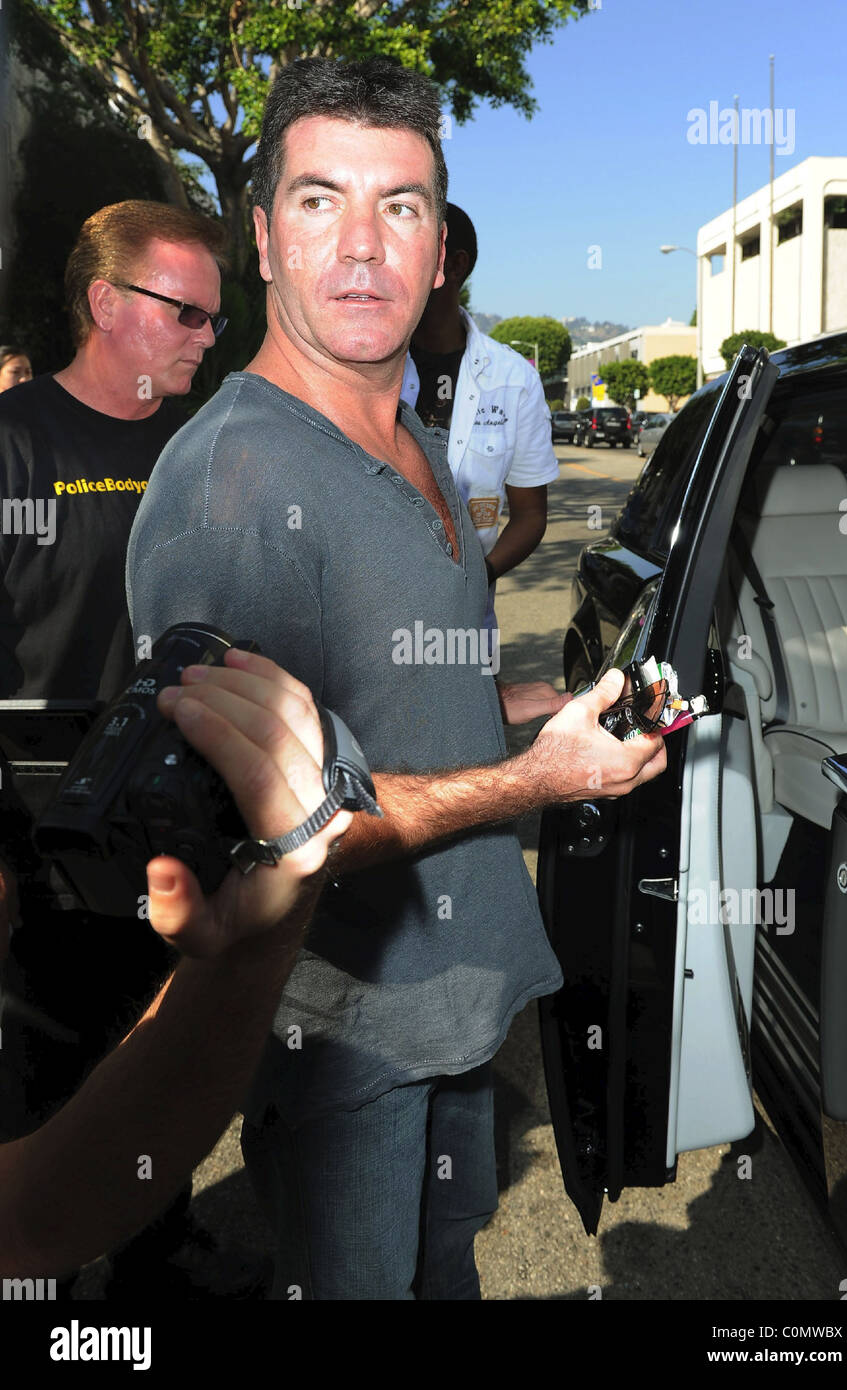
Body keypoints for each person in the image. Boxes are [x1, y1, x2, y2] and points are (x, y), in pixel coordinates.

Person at [126, 55, 666, 1301]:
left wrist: (528, 711)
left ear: (440, 253)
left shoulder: (407, 428)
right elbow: (266, 839)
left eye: (401, 207)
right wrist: (539, 778)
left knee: (446, 1268)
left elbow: (385, 702)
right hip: (341, 1027)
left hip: (456, 999)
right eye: (321, 201)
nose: (363, 247)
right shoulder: (234, 491)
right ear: (261, 237)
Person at [0, 199, 229, 1294]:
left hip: (177, 805)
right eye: (184, 312)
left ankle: (154, 1251)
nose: (204, 336)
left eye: (213, 319)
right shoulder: (13, 443)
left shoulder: (211, 450)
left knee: (162, 1053)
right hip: (32, 823)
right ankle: (32, 1260)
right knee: (41, 1059)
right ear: (106, 303)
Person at [0, 647, 352, 1277]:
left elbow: (31, 1217)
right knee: (39, 1079)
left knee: (123, 1033)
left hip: (145, 818)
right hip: (41, 851)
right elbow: (27, 1223)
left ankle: (158, 1258)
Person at [402, 203, 558, 644]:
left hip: (468, 631)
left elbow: (530, 515)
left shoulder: (514, 380)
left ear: (455, 264)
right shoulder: (367, 364)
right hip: (367, 620)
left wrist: (476, 580)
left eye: (416, 246)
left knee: (471, 715)